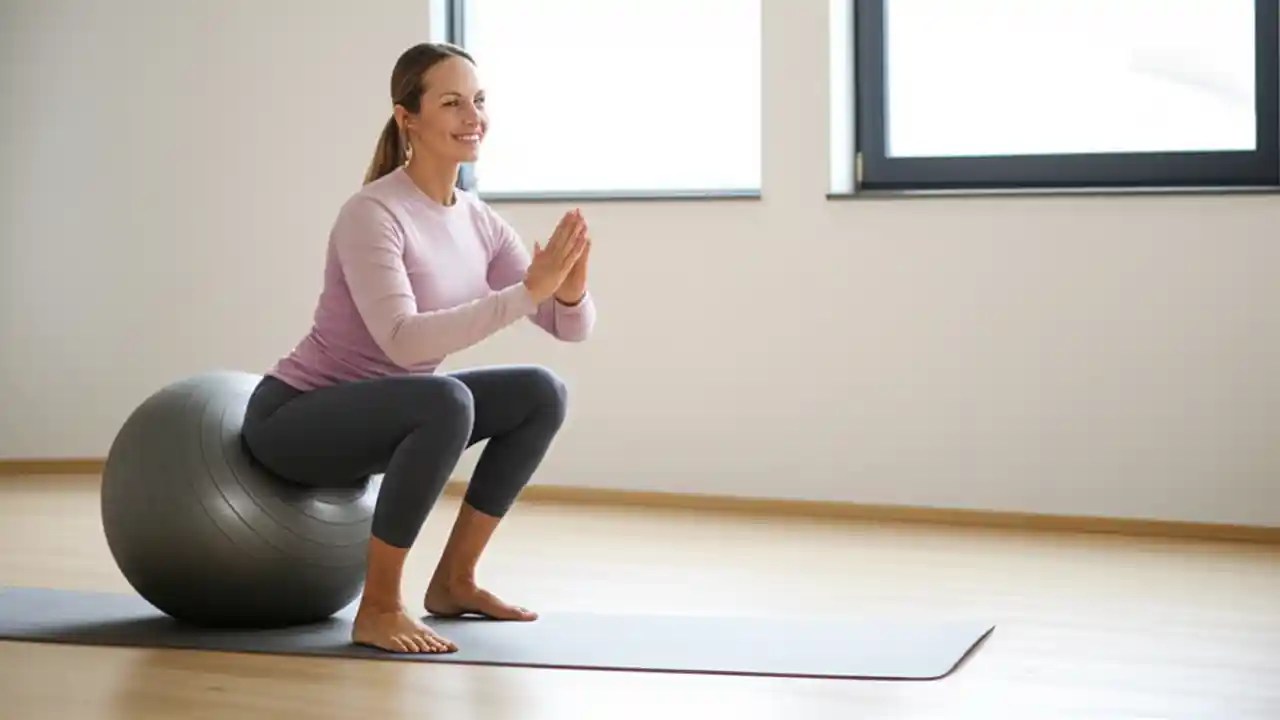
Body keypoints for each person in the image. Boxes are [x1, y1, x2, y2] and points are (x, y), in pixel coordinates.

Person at [240, 42, 596, 655]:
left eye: (479, 101)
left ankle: (456, 580)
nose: (473, 116)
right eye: (452, 103)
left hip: (393, 412)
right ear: (409, 118)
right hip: (296, 419)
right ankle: (378, 607)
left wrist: (570, 286)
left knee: (542, 393)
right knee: (446, 400)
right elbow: (403, 345)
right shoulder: (372, 212)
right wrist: (526, 292)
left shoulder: (478, 220)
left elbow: (571, 329)